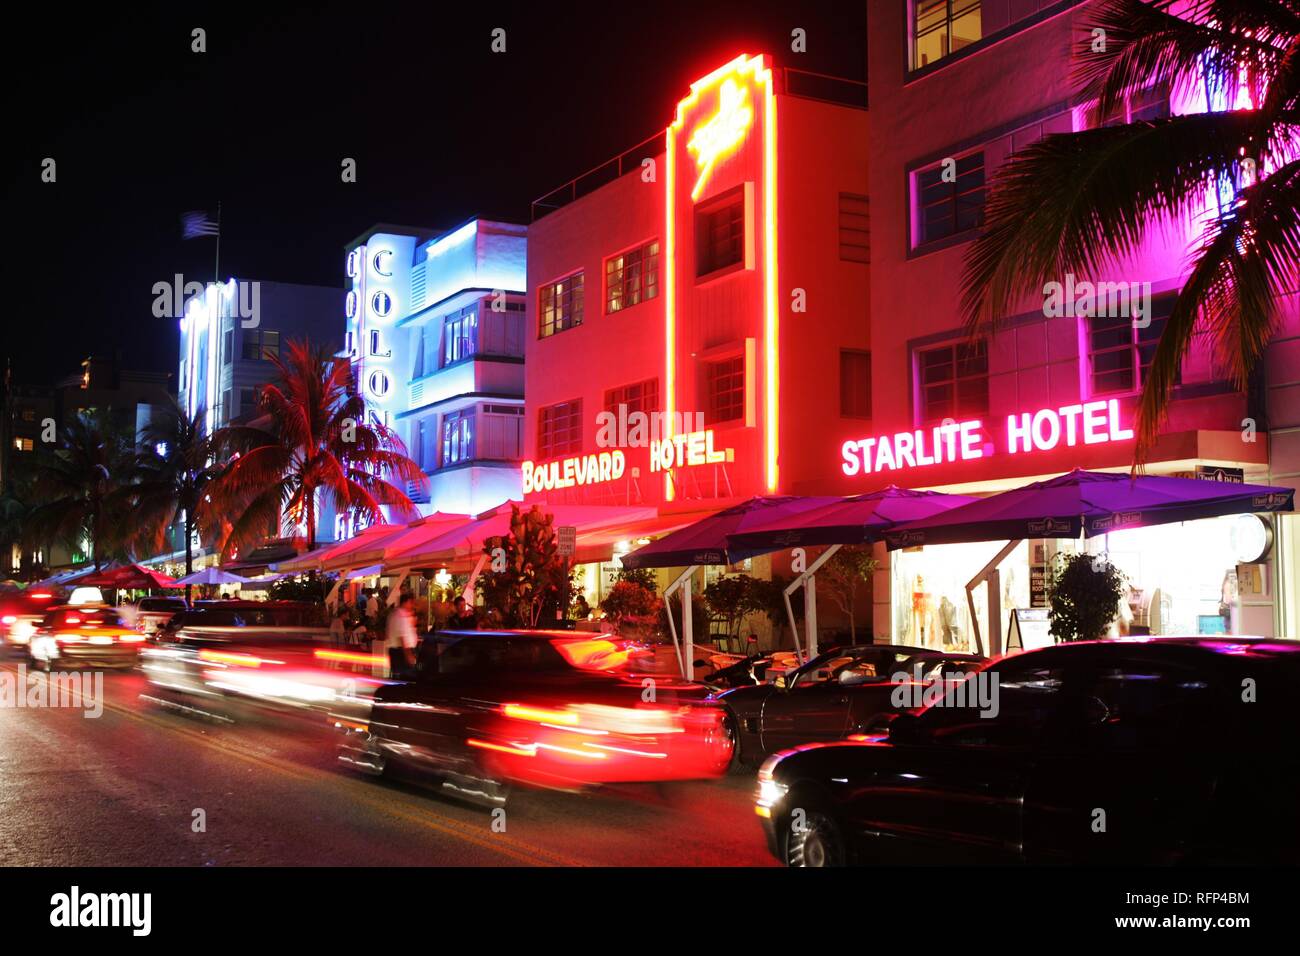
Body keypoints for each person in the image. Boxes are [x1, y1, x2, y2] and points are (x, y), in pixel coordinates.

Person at [384, 592, 419, 678]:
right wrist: (409, 655)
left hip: (396, 651)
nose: (412, 606)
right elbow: (402, 637)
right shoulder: (400, 615)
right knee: (405, 679)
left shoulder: (394, 614)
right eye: (411, 603)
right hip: (401, 652)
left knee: (399, 678)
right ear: (406, 602)